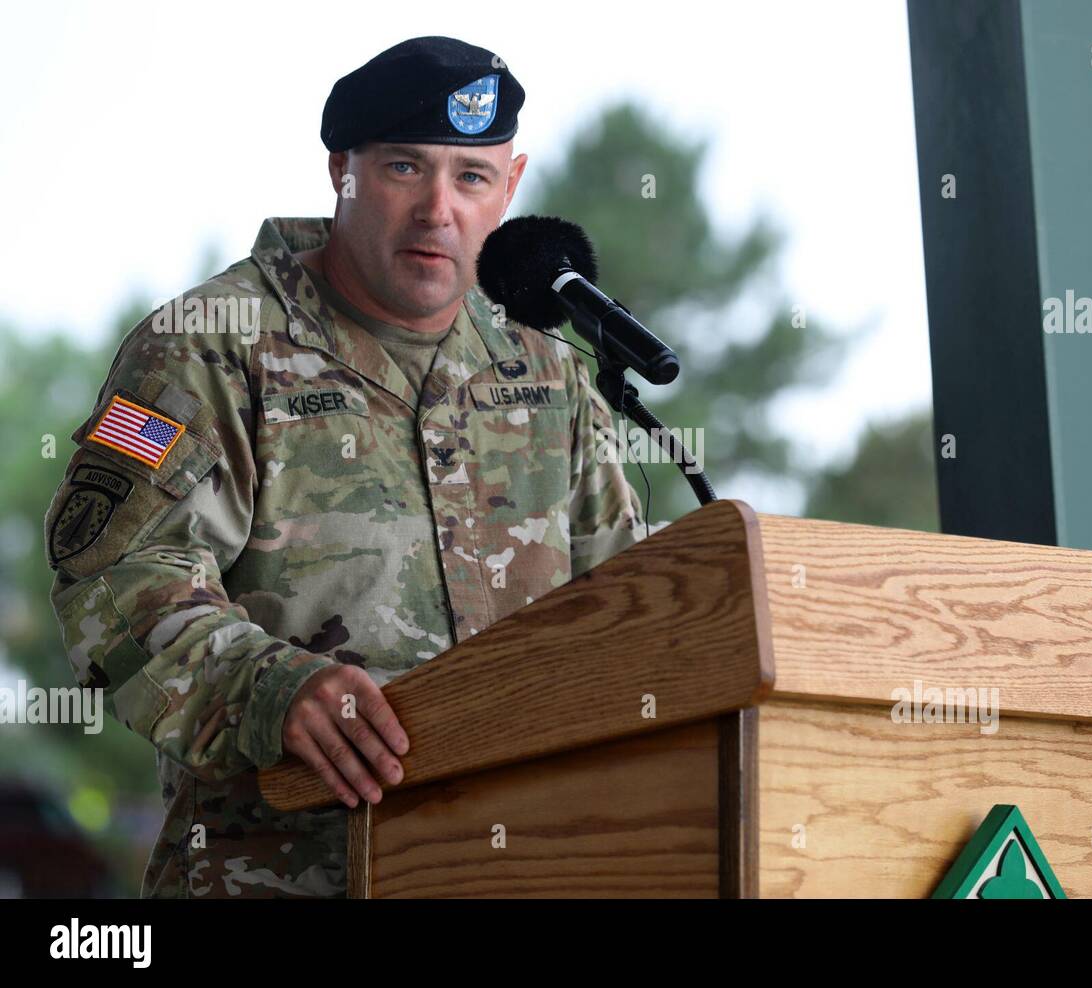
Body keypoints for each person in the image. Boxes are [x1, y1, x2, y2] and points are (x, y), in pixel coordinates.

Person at [42, 35, 645, 899]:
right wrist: (271, 689)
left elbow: (624, 610)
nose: (439, 209)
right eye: (405, 168)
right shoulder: (211, 345)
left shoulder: (545, 372)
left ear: (509, 189)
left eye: (471, 178)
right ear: (343, 171)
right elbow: (113, 572)